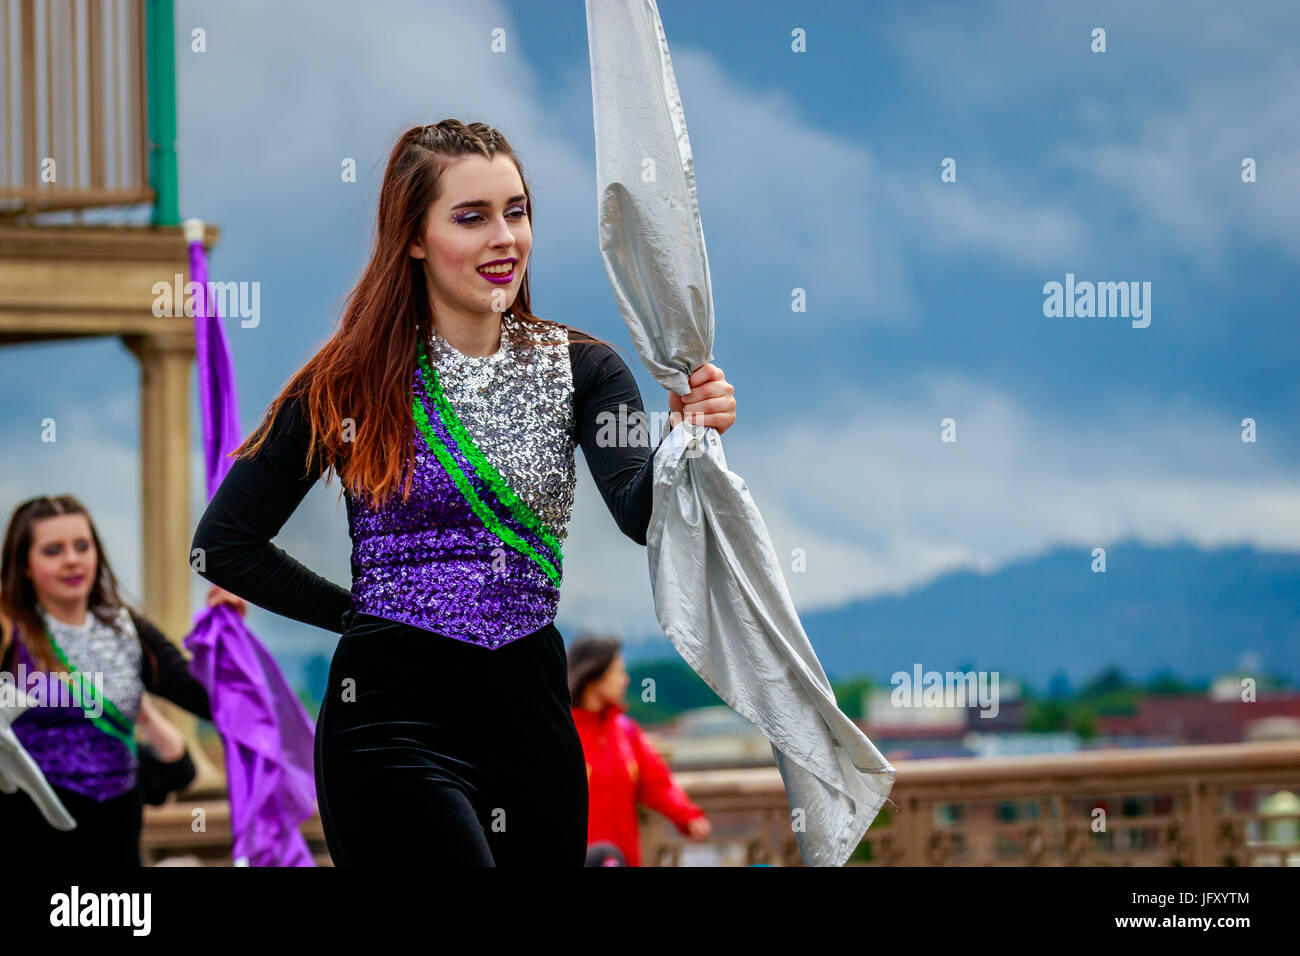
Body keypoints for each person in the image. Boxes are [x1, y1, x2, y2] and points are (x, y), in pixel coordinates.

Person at [190, 119, 737, 866]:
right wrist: (359, 616)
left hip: (531, 715)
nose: (504, 237)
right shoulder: (347, 380)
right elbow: (221, 545)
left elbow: (643, 515)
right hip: (389, 722)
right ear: (413, 237)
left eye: (516, 211)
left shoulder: (587, 369)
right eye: (472, 217)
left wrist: (688, 438)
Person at [0, 494, 245, 866]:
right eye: (53, 550)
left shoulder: (127, 629)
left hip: (117, 828)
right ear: (26, 565)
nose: (72, 559)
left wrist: (228, 637)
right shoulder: (9, 629)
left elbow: (210, 702)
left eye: (82, 546)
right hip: (28, 831)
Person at [568, 636, 712, 866]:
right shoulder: (565, 734)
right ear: (593, 678)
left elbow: (658, 783)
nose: (625, 681)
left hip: (625, 859)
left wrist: (687, 817)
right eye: (617, 673)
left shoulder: (625, 731)